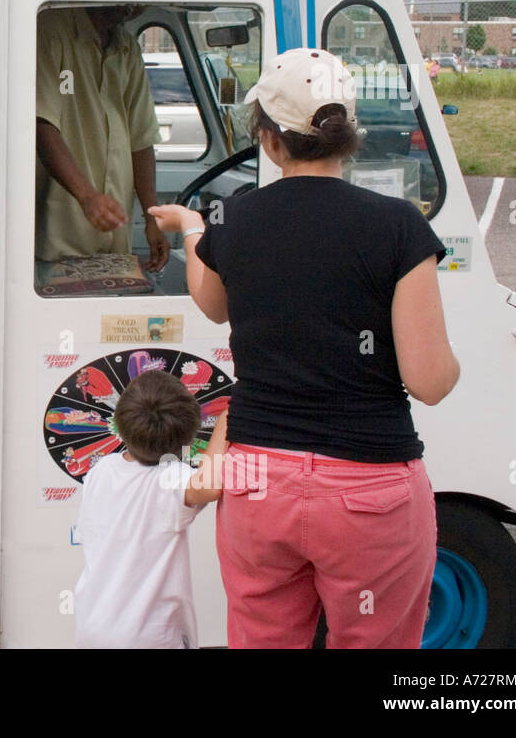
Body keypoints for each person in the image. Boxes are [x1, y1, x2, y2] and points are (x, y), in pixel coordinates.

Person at [149, 48, 460, 649]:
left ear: (268, 141)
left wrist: (193, 229)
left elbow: (213, 304)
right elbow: (430, 381)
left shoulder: (237, 219)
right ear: (349, 136)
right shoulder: (397, 226)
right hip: (368, 489)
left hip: (257, 480)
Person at [74, 369, 229, 648]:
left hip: (91, 627)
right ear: (189, 438)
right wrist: (226, 423)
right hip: (149, 637)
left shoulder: (102, 470)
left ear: (119, 425)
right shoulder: (171, 479)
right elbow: (210, 484)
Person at [36, 5, 169, 269]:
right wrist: (87, 197)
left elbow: (141, 140)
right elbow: (41, 125)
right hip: (59, 235)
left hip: (116, 240)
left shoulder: (127, 47)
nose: (132, 9)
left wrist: (152, 218)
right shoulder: (51, 30)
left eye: (137, 5)